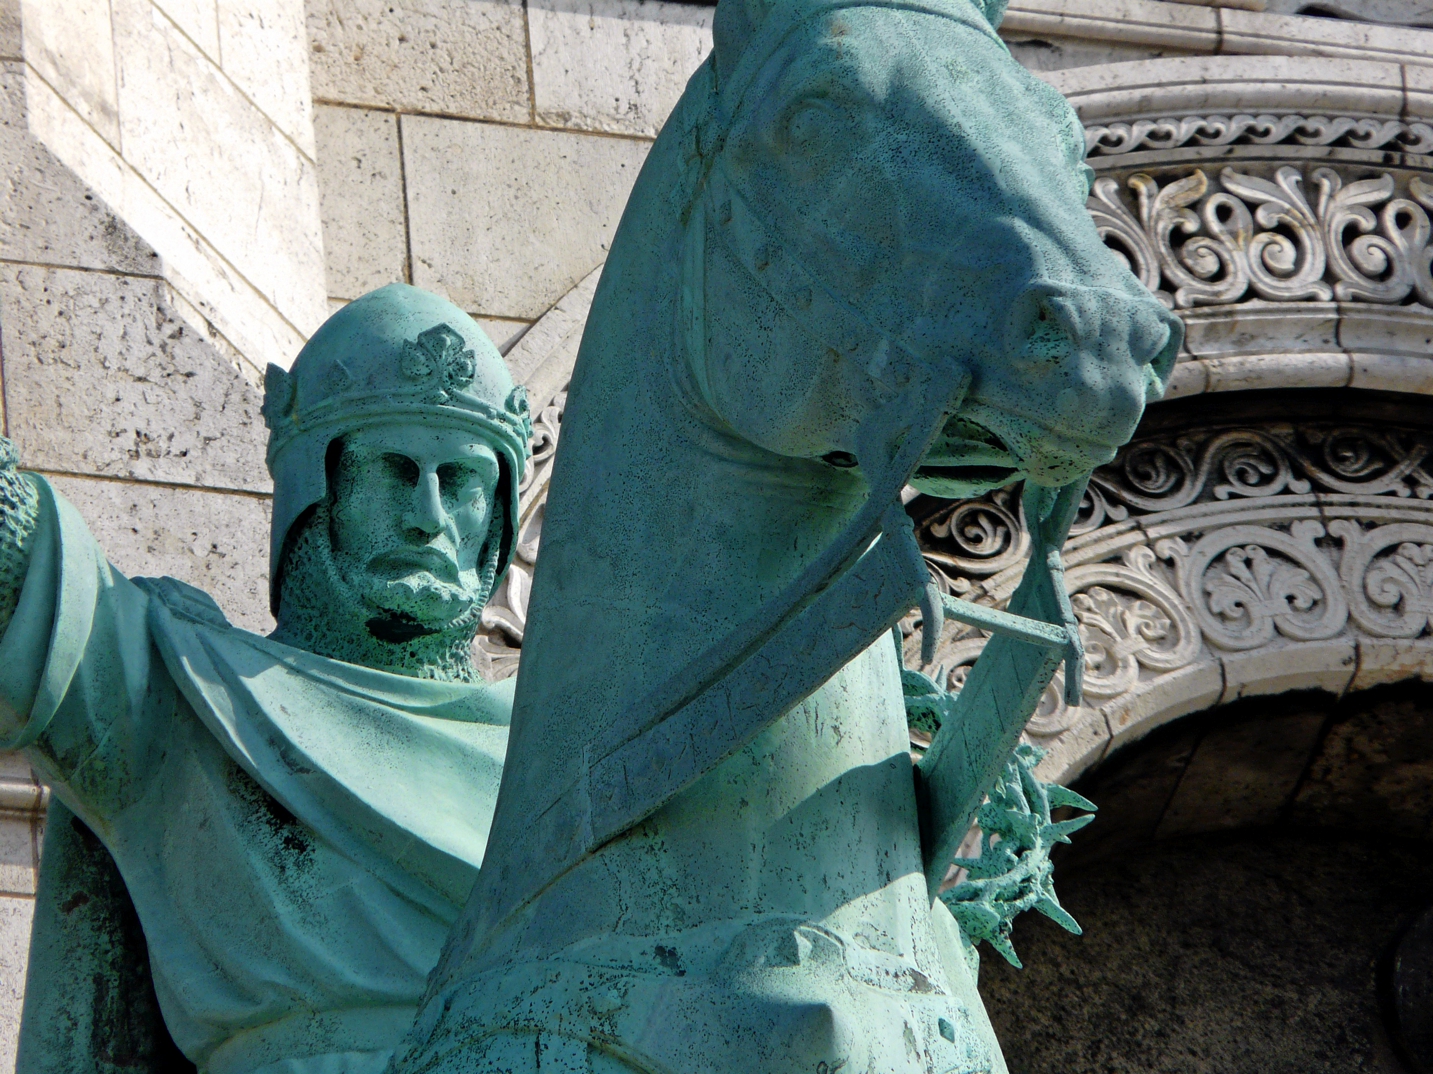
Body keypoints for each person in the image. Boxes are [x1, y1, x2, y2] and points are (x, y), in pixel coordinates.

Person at [0, 283, 532, 1074]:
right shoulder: (189, 689)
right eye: (394, 470)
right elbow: (19, 562)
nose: (429, 515)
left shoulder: (568, 746)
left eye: (460, 483)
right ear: (318, 492)